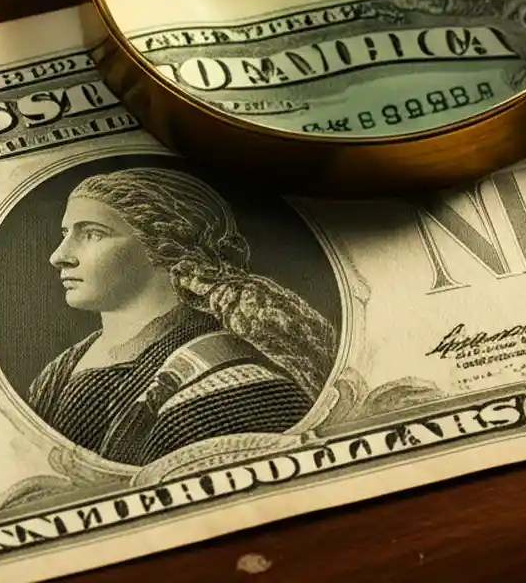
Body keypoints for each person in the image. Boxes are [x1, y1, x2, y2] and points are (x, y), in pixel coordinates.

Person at [26, 166, 338, 466]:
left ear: (165, 245)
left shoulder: (230, 390)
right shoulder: (60, 371)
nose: (59, 256)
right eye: (66, 233)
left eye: (93, 234)